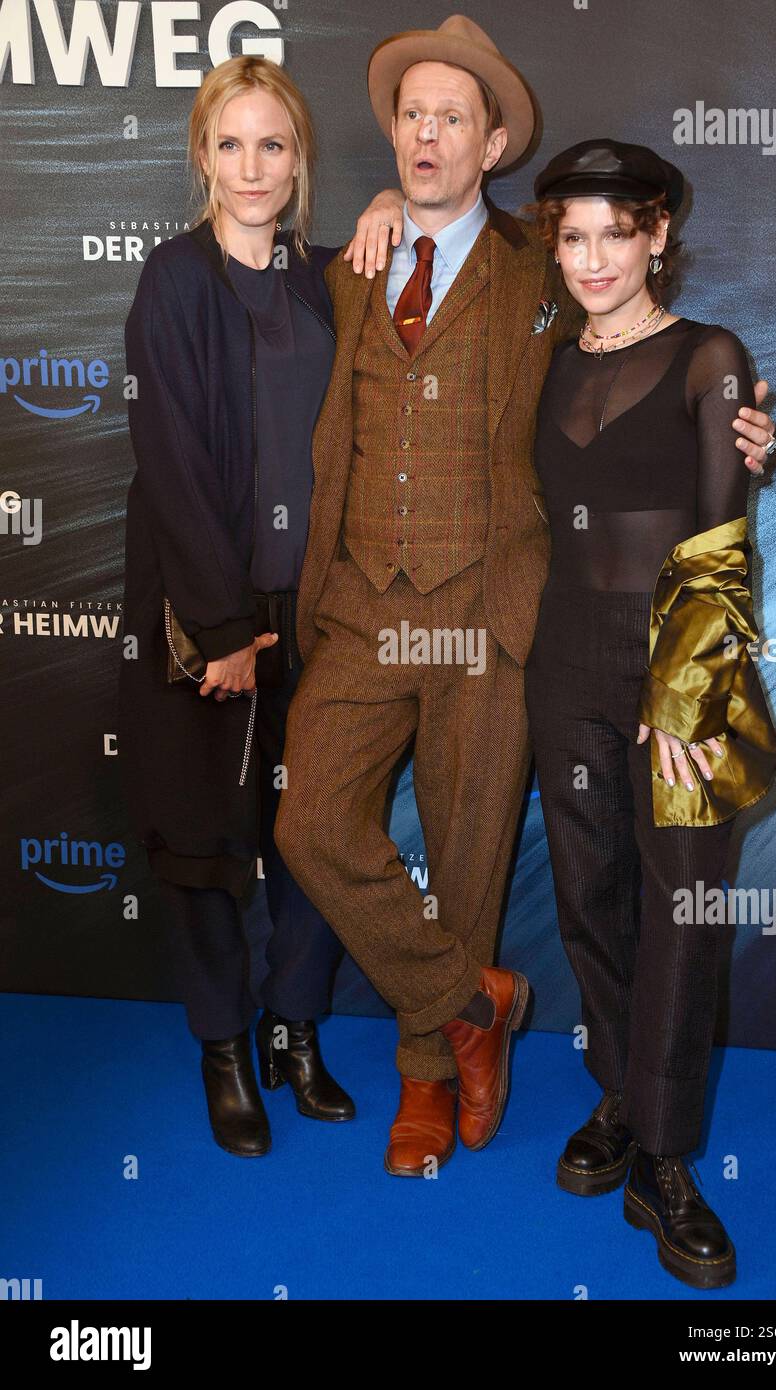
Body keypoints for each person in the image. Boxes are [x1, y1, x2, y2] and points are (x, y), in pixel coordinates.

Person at [274, 17, 776, 1179]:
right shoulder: (351, 266)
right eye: (412, 113)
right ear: (392, 131)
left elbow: (659, 362)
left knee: (468, 858)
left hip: (497, 616)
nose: (428, 133)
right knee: (309, 822)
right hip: (363, 599)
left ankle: (427, 1076)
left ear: (493, 140)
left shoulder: (540, 274)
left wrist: (743, 426)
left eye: (454, 115)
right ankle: (470, 1000)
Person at [119, 56, 400, 1157]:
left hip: (321, 616)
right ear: (202, 155)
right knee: (203, 839)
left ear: (299, 162)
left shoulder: (328, 280)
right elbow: (173, 462)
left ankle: (295, 1031)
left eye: (272, 145)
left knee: (316, 836)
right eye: (230, 144)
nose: (252, 167)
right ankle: (224, 1045)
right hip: (212, 618)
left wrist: (389, 207)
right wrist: (224, 632)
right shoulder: (172, 279)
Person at [522, 139, 776, 1288]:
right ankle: (626, 1092)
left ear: (658, 235)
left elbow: (722, 550)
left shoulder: (712, 359)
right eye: (571, 236)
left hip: (683, 668)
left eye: (613, 234)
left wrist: (682, 694)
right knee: (591, 899)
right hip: (562, 661)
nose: (590, 258)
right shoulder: (546, 363)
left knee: (682, 906)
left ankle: (666, 1162)